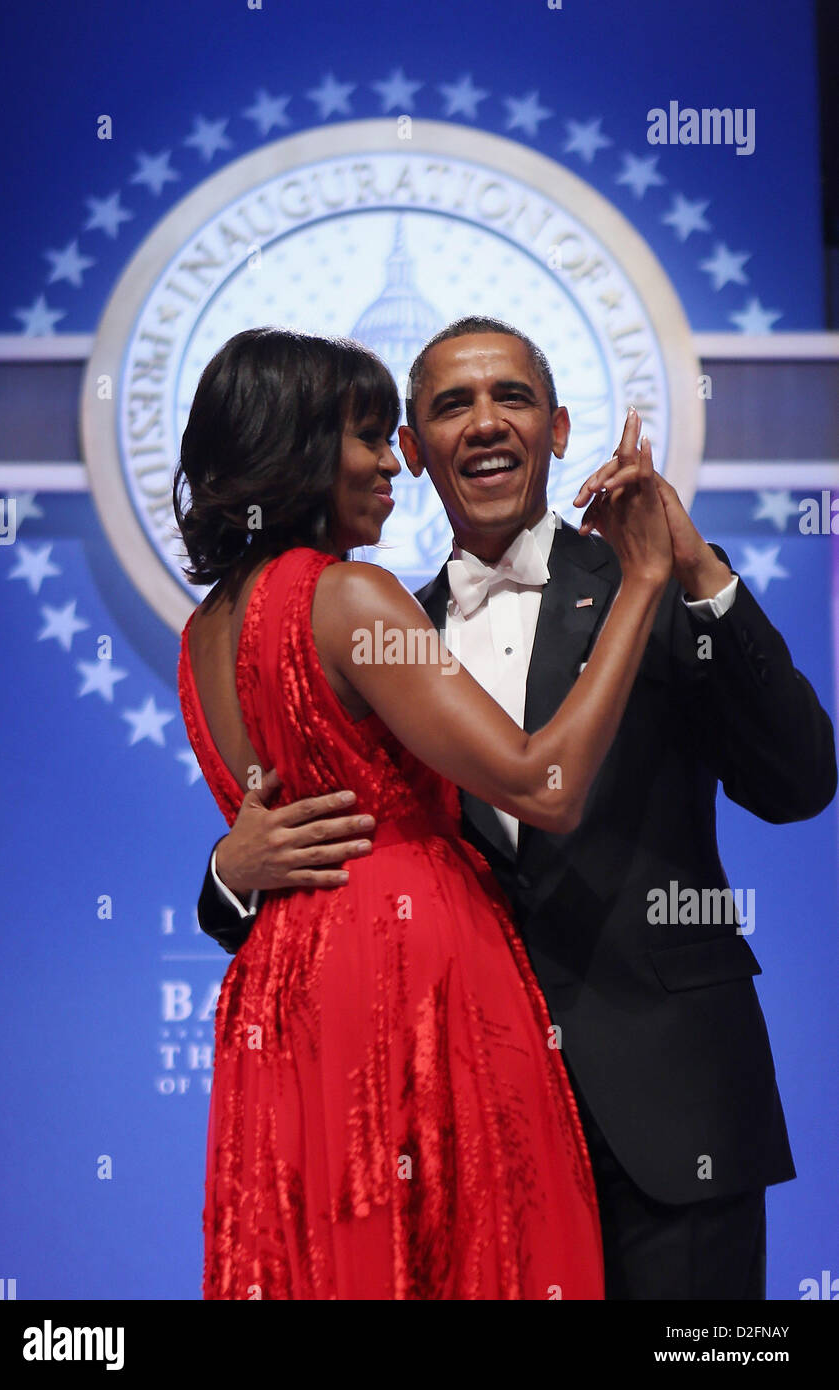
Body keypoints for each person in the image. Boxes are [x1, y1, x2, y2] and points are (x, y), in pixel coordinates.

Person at [198, 317, 837, 1301]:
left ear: (558, 426)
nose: (485, 423)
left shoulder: (649, 576)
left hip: (668, 1113)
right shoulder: (373, 617)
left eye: (512, 396)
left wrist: (694, 569)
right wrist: (223, 876)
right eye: (448, 405)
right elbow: (330, 826)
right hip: (448, 1107)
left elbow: (798, 782)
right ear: (414, 449)